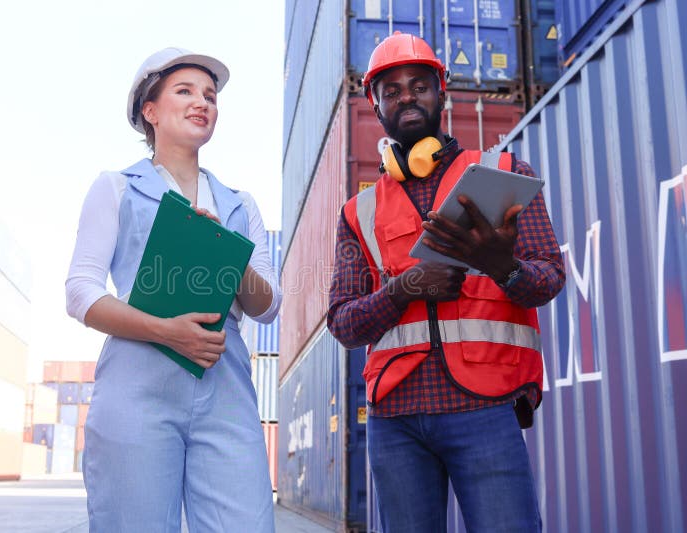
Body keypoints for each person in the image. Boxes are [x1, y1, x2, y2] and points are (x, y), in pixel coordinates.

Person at [327, 32, 565, 532]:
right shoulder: (358, 212)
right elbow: (343, 323)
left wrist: (501, 265)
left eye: (419, 84)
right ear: (375, 104)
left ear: (443, 92)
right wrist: (403, 288)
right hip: (396, 419)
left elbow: (549, 279)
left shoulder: (501, 172)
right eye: (391, 90)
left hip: (485, 405)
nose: (406, 96)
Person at [65, 47, 280, 532]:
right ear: (151, 110)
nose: (202, 102)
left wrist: (227, 254)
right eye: (184, 91)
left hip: (224, 389)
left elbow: (269, 306)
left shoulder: (240, 205)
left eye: (210, 95)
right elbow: (80, 292)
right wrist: (165, 330)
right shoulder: (116, 188)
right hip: (136, 388)